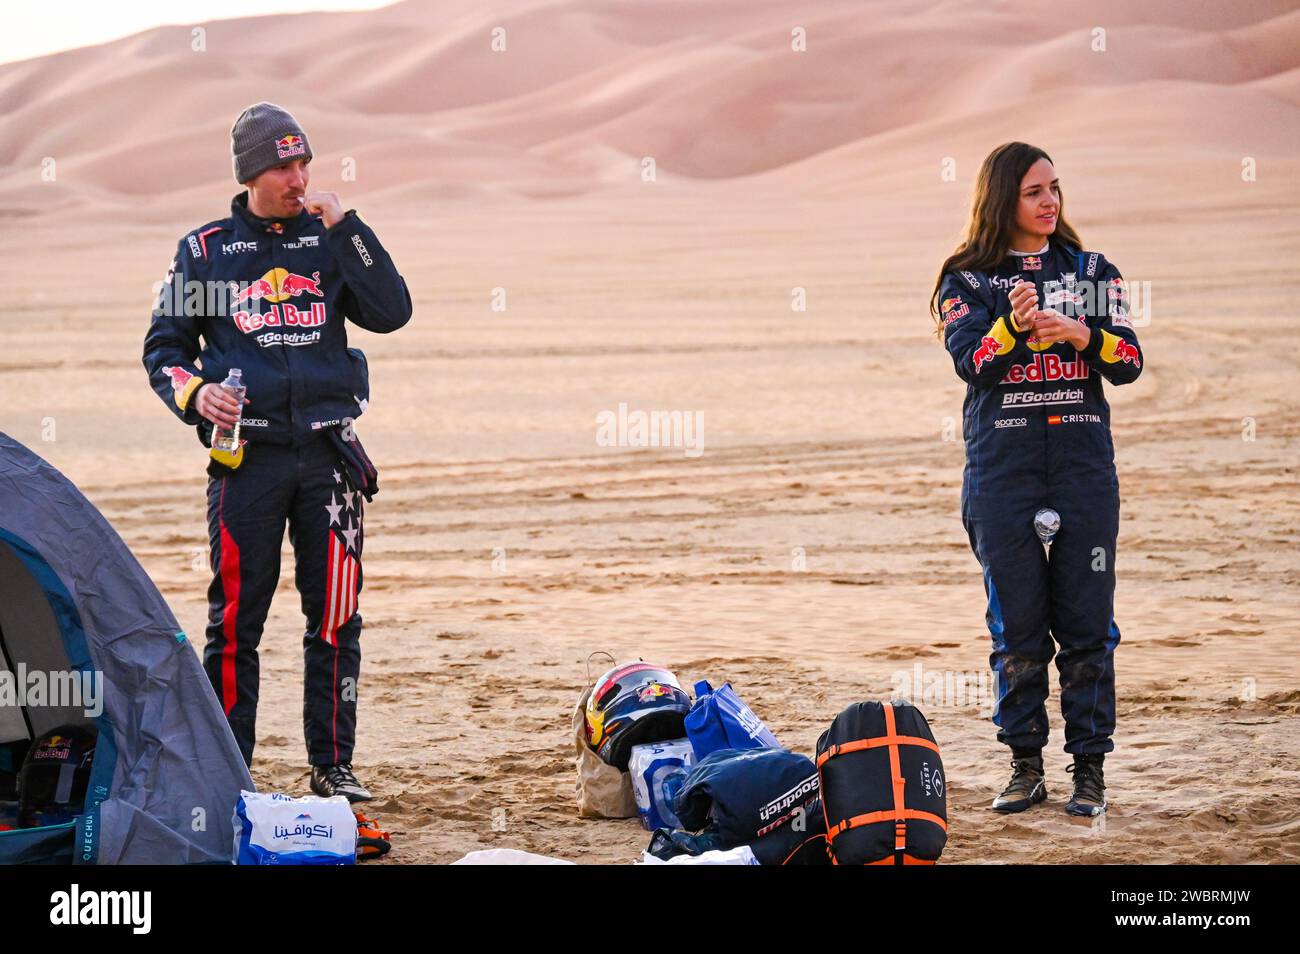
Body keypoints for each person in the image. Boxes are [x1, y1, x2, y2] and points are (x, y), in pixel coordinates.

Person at [142, 102, 412, 802]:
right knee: (234, 621)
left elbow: (392, 310)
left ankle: (333, 765)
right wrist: (194, 393)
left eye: (304, 162)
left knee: (334, 619)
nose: (298, 178)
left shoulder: (328, 240)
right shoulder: (204, 251)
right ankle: (230, 768)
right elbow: (164, 351)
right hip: (247, 465)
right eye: (283, 165)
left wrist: (347, 227)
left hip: (328, 455)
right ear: (251, 173)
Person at [930, 142, 1143, 817]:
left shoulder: (1091, 270)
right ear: (1002, 200)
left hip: (1082, 469)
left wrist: (1083, 337)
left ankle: (1089, 771)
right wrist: (1015, 327)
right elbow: (974, 363)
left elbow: (1131, 360)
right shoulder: (965, 279)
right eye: (1033, 192)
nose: (1050, 202)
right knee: (1016, 628)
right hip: (1003, 472)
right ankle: (1025, 766)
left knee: (1088, 624)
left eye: (1055, 188)